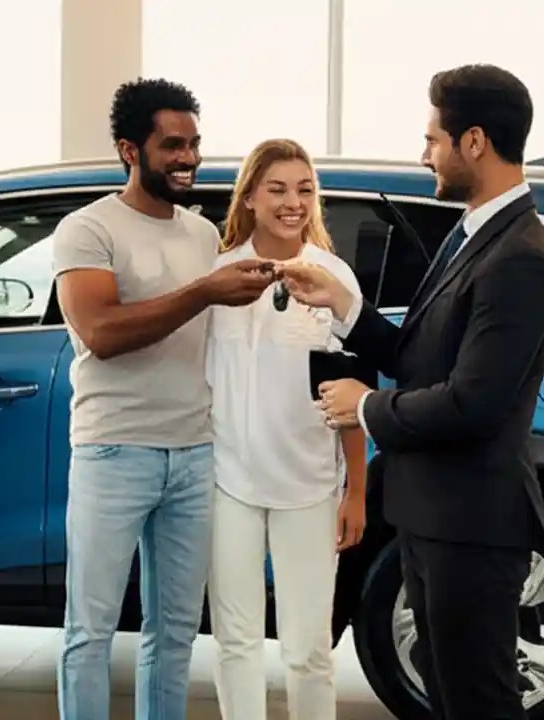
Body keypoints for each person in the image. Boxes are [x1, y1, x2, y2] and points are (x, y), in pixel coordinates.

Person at [276, 64, 544, 719]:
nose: (423, 153)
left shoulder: (520, 256)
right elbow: (419, 357)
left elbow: (473, 403)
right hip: (433, 517)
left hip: (473, 526)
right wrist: (345, 306)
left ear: (473, 143)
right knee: (448, 694)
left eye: (432, 138)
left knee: (478, 702)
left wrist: (366, 407)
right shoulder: (473, 234)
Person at [51, 77, 276, 720]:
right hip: (113, 452)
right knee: (90, 632)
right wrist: (203, 292)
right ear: (130, 150)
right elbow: (101, 332)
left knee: (175, 633)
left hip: (194, 454)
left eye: (194, 144)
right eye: (172, 144)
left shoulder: (202, 236)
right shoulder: (87, 229)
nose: (188, 158)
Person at [205, 139, 368, 720]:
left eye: (303, 189)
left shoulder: (333, 277)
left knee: (308, 650)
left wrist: (356, 493)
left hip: (310, 487)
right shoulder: (218, 276)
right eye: (276, 189)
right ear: (249, 197)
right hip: (229, 486)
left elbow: (351, 395)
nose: (291, 202)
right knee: (237, 643)